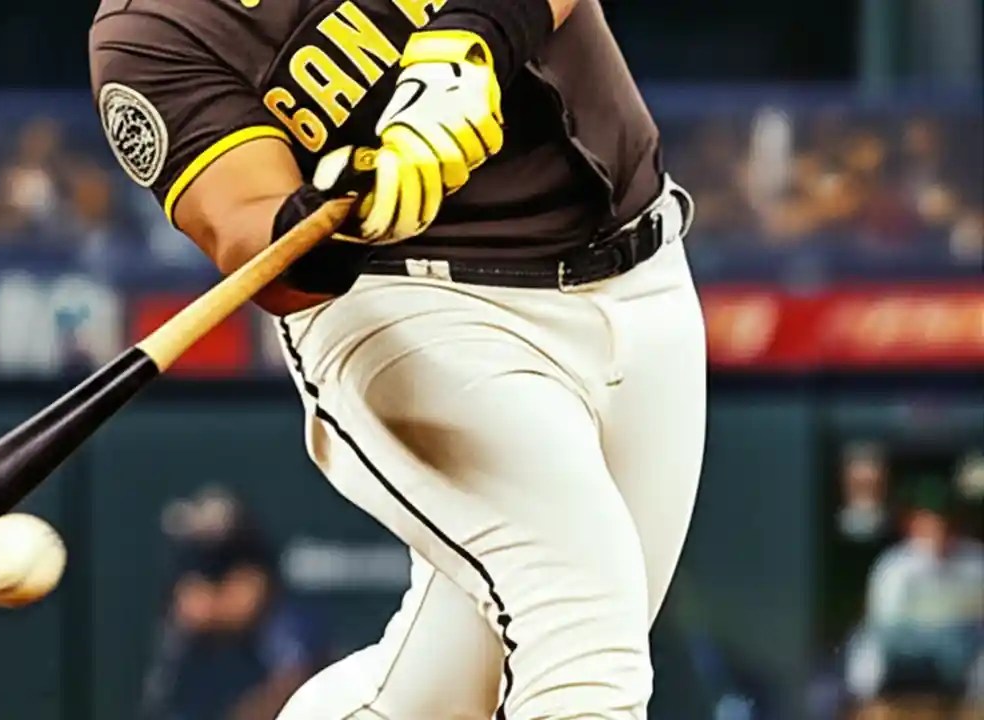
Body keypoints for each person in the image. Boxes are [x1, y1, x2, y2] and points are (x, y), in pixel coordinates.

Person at [91, 0, 705, 716]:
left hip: (641, 268)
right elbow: (248, 231)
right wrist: (331, 211)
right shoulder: (149, 32)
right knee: (582, 619)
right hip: (406, 310)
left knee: (448, 689)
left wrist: (469, 41)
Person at [140, 488, 328, 720]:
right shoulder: (184, 645)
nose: (205, 597)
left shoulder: (286, 623)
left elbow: (297, 682)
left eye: (219, 580)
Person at [845, 480, 984, 711]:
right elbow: (885, 625)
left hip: (963, 649)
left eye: (945, 522)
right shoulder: (894, 565)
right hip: (908, 649)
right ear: (914, 523)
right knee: (866, 651)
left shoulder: (976, 561)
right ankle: (874, 710)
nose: (939, 530)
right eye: (931, 521)